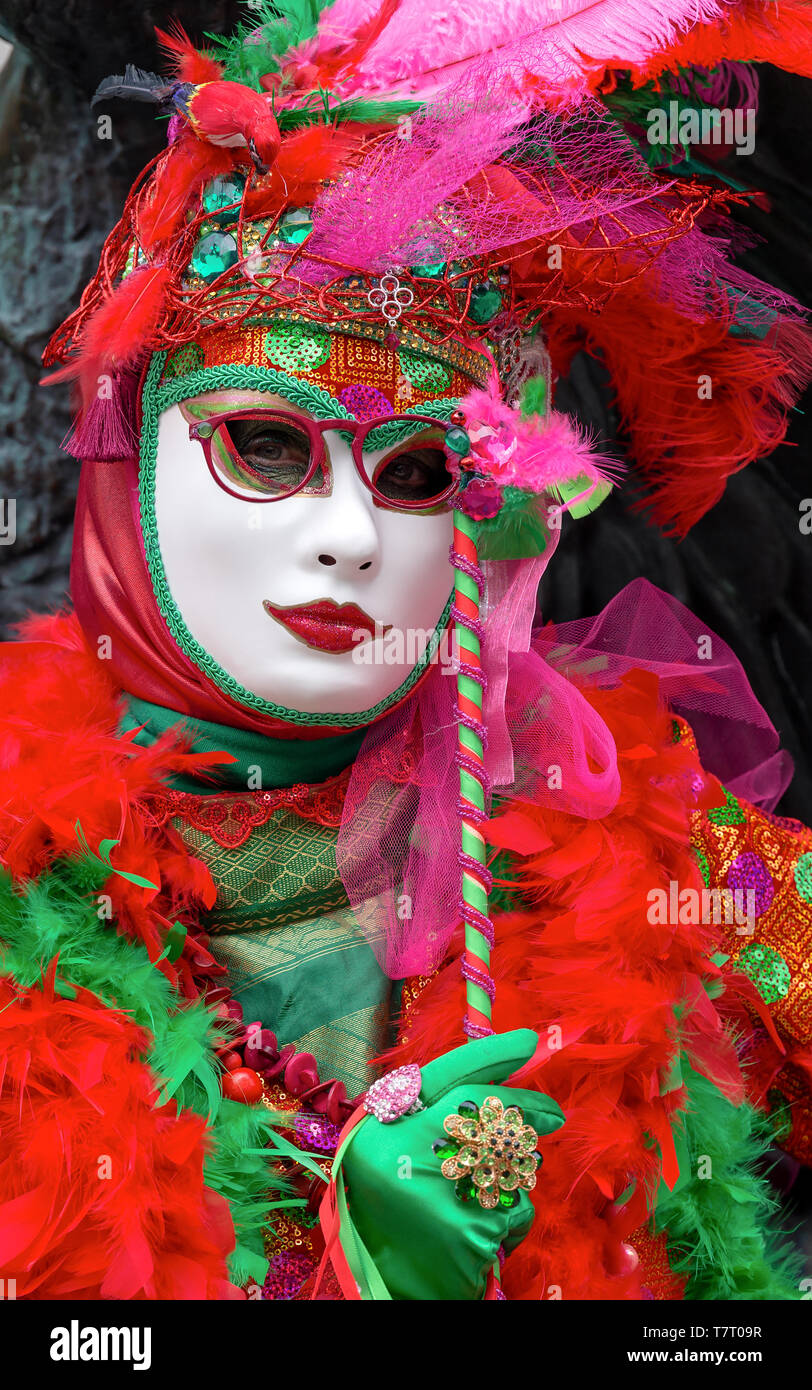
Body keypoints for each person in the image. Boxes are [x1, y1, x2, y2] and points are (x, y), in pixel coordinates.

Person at [1, 3, 811, 1301]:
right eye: (266, 444)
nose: (350, 536)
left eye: (418, 469)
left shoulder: (652, 843)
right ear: (124, 469)